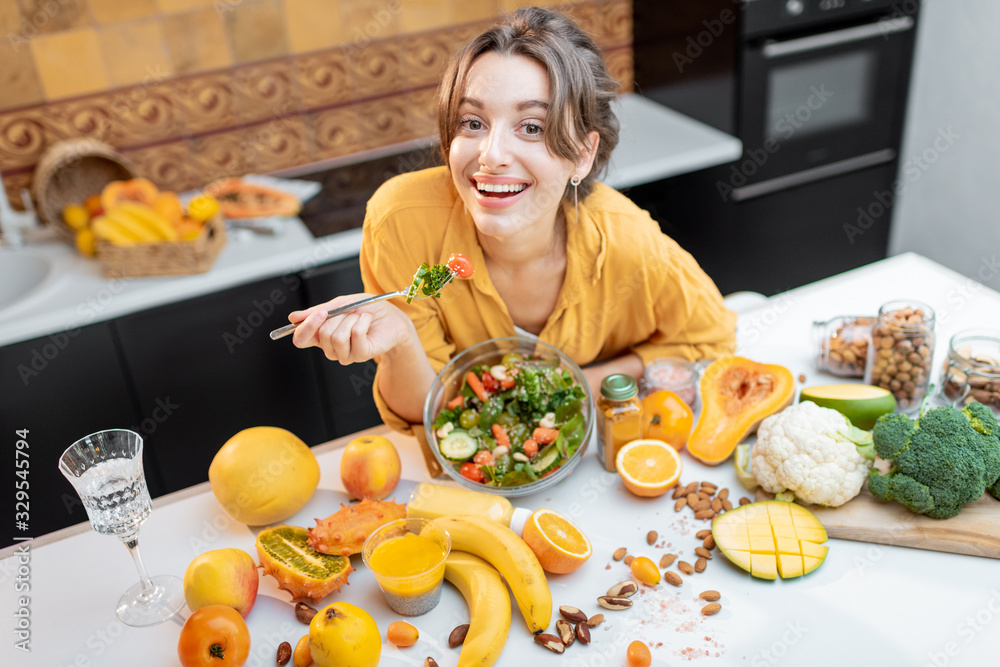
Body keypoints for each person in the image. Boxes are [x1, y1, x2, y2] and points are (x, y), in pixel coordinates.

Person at [288, 7, 736, 434]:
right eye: (472, 122)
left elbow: (711, 341)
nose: (491, 155)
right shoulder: (403, 221)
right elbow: (427, 412)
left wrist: (574, 386)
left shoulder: (627, 241)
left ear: (582, 154)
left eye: (532, 127)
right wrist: (402, 342)